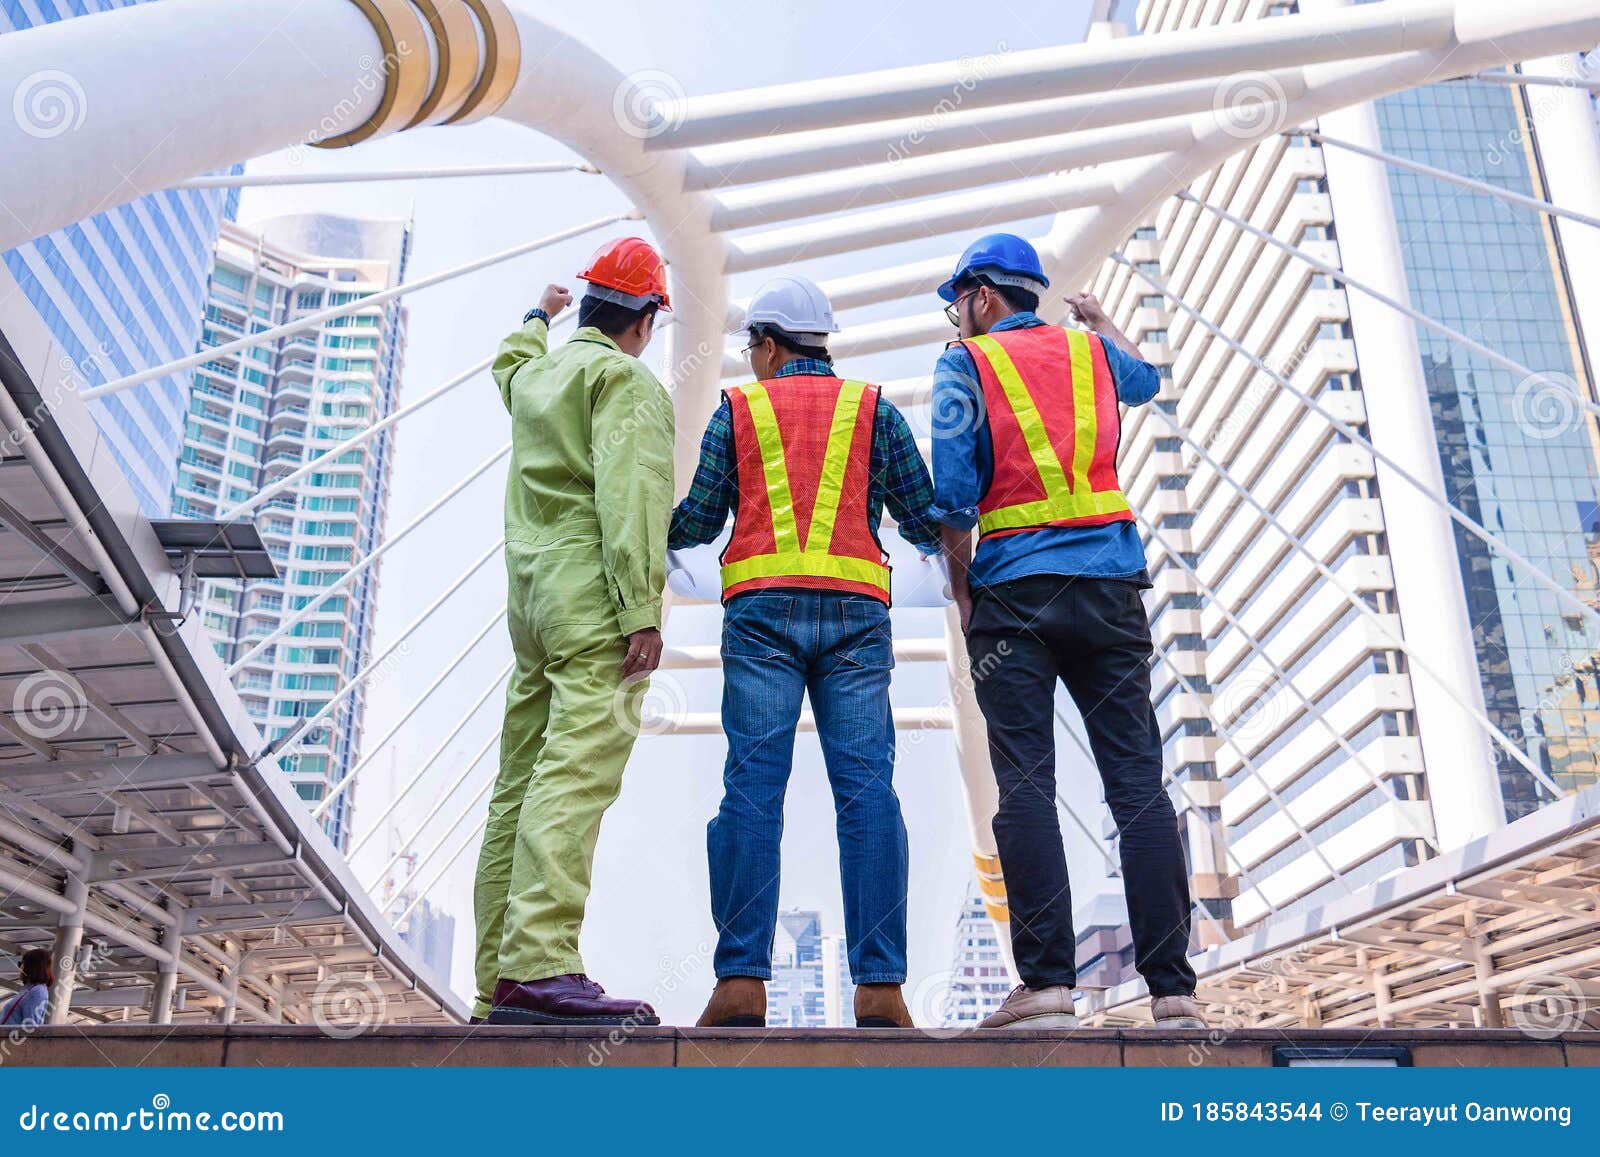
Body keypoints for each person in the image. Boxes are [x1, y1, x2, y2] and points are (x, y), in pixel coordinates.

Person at [931, 233, 1204, 1030]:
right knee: (1138, 785)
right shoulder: (1091, 355)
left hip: (1013, 595)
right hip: (1110, 588)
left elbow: (953, 496)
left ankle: (1048, 982)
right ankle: (1174, 989)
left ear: (983, 296)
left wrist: (961, 589)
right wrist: (1101, 317)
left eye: (958, 303)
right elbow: (1145, 379)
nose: (957, 318)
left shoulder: (965, 364)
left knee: (1025, 785)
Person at [671, 275, 942, 1029]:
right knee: (868, 794)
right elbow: (923, 519)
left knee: (753, 791)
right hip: (857, 617)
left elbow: (698, 520)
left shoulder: (739, 410)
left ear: (767, 344)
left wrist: (647, 529)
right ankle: (881, 989)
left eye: (750, 348)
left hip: (761, 617)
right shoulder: (873, 409)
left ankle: (741, 984)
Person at [473, 237, 675, 1027]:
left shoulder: (539, 376)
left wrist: (537, 314)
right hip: (591, 603)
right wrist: (642, 609)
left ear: (589, 305)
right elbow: (632, 498)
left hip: (531, 606)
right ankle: (539, 963)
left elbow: (509, 364)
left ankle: (496, 979)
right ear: (645, 319)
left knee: (518, 784)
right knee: (574, 775)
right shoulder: (625, 381)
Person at [1, 948, 52, 1028]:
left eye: (21, 963)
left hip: (11, 1036)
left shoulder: (37, 991)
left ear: (30, 966)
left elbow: (31, 1027)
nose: (20, 968)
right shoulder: (29, 990)